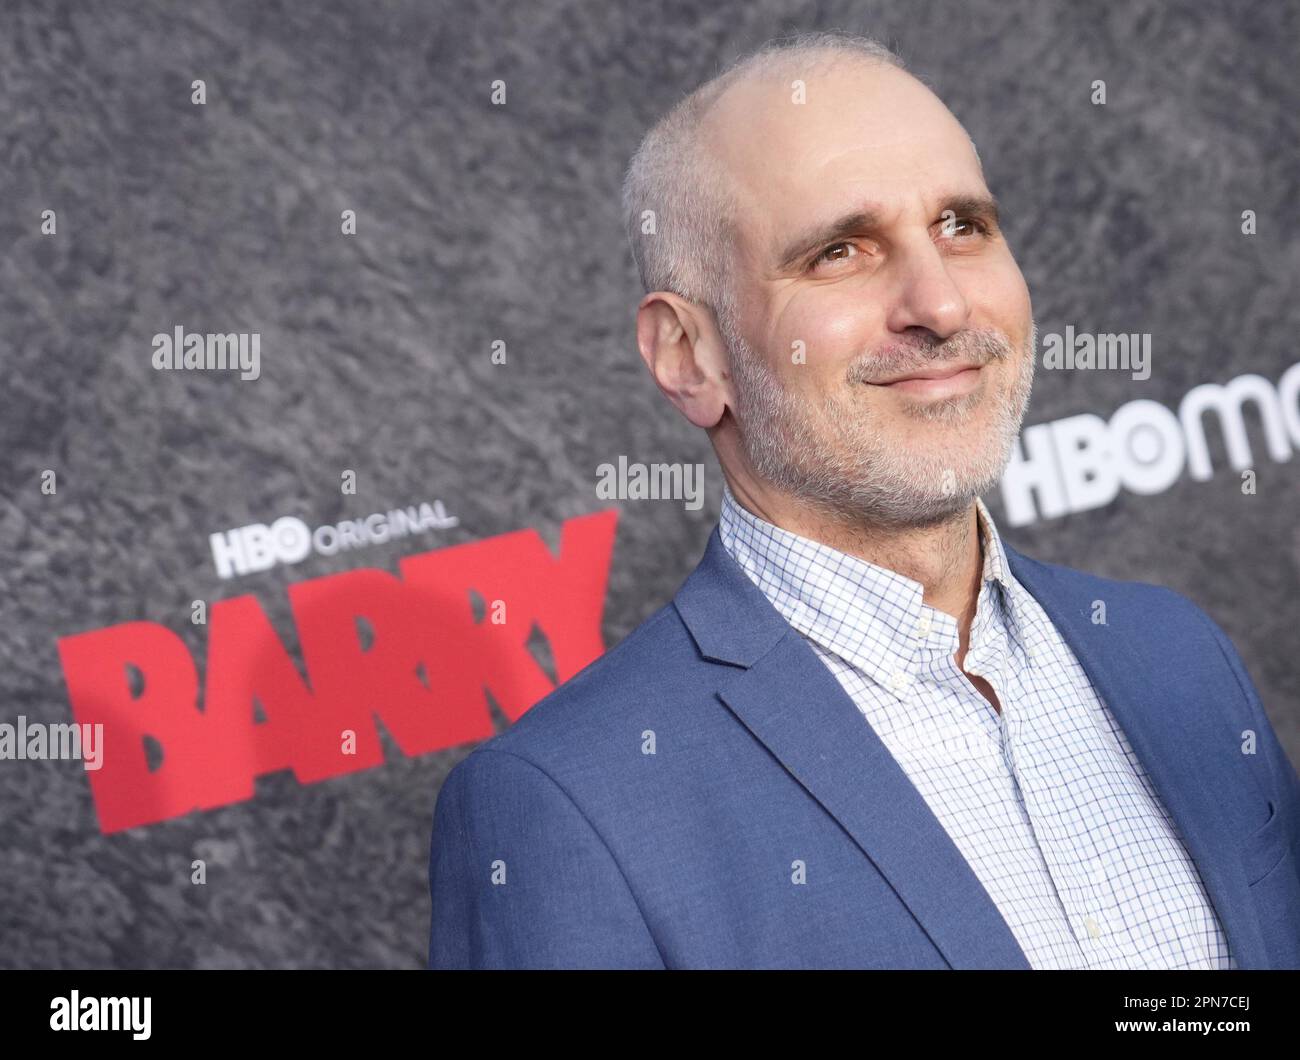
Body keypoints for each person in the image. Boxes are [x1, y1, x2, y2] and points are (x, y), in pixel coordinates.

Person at [428, 30, 1300, 969]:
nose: (942, 305)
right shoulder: (566, 807)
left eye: (962, 226)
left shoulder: (1175, 654)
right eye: (840, 251)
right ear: (690, 356)